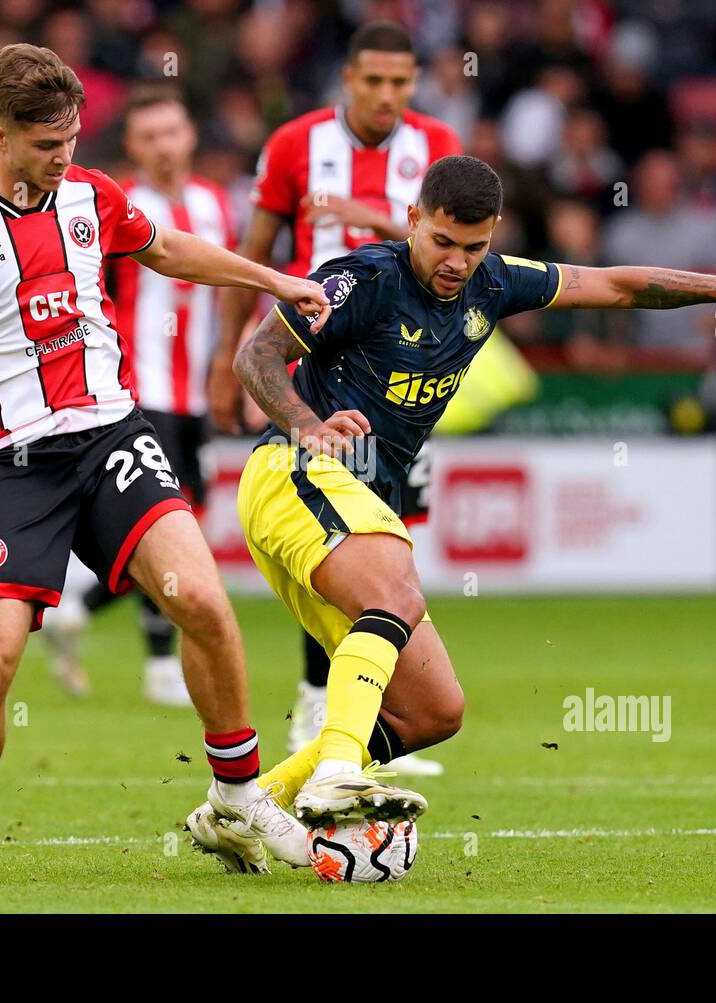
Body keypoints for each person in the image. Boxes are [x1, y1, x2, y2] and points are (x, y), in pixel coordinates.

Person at [189, 154, 716, 870]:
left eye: (474, 246)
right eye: (443, 242)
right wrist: (308, 422)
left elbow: (619, 285)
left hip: (355, 495)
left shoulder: (495, 283)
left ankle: (240, 809)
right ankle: (336, 772)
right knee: (397, 590)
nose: (457, 262)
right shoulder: (363, 279)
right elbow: (257, 357)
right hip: (294, 471)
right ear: (414, 221)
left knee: (432, 709)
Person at [0, 44, 330, 885]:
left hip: (114, 436)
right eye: (48, 144)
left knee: (202, 599)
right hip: (13, 466)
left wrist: (275, 279)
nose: (65, 156)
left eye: (74, 138)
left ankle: (236, 798)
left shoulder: (94, 195)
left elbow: (170, 252)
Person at [210, 21, 460, 776]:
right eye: (373, 80)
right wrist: (228, 358)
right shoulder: (293, 145)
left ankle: (353, 704)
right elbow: (253, 255)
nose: (387, 95)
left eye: (400, 82)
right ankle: (321, 708)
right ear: (348, 79)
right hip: (315, 358)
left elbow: (448, 241)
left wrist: (382, 221)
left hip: (404, 365)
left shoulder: (438, 144)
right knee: (338, 537)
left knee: (390, 537)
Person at [40, 86, 235, 706]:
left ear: (191, 136)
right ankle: (159, 666)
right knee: (164, 525)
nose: (164, 147)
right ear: (131, 147)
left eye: (172, 132)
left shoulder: (212, 204)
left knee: (186, 523)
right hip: (139, 390)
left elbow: (227, 289)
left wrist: (230, 369)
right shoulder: (115, 207)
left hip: (197, 394)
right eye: (149, 137)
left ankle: (82, 608)